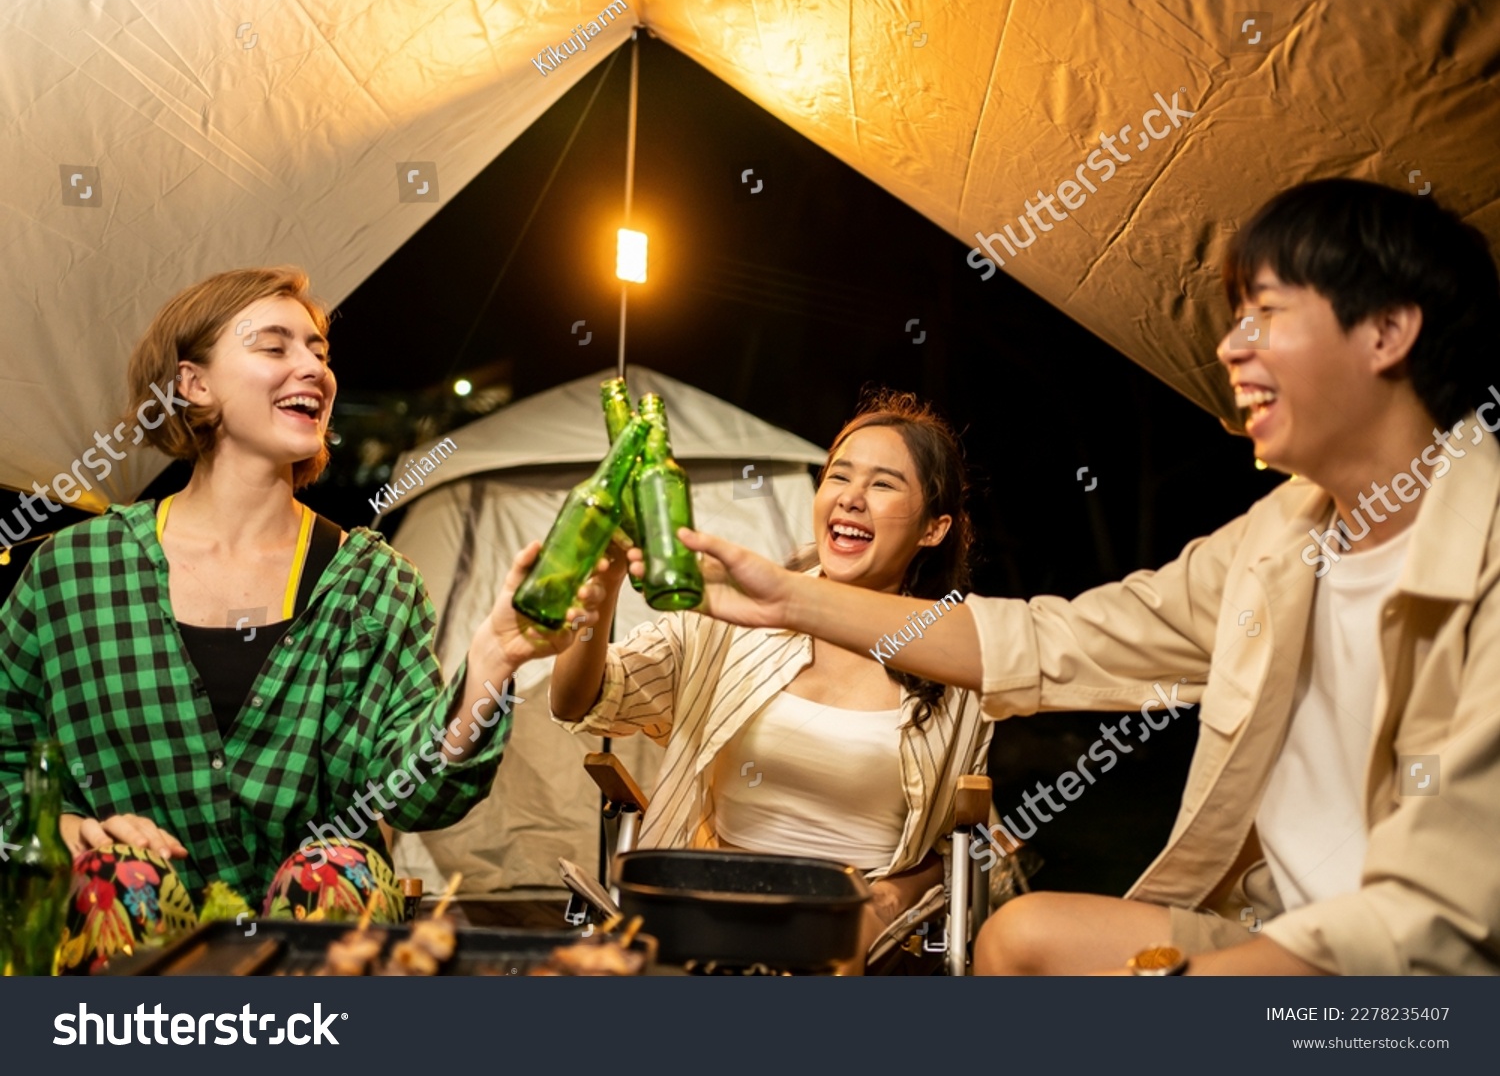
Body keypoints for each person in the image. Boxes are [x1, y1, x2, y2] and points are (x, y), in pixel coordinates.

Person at [674, 178, 1500, 975]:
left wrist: (1153, 998)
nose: (1229, 347)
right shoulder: (1281, 536)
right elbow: (1054, 640)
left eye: (1268, 314)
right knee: (1021, 935)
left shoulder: (1485, 551)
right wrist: (790, 596)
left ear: (1387, 332)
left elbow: (1437, 919)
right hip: (1267, 920)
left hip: (1401, 981)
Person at [0, 267, 600, 971]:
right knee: (111, 878)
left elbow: (415, 794)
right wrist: (60, 823)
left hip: (317, 945)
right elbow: (7, 754)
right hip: (125, 934)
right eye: (275, 346)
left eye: (319, 350)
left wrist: (492, 660)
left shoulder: (371, 583)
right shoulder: (74, 571)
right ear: (194, 385)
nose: (312, 366)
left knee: (337, 868)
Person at [549, 389, 991, 966]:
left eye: (883, 485)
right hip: (717, 893)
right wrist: (601, 590)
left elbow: (955, 841)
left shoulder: (953, 659)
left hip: (856, 917)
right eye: (839, 476)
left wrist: (885, 900)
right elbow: (577, 701)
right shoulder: (738, 611)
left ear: (933, 530)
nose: (852, 499)